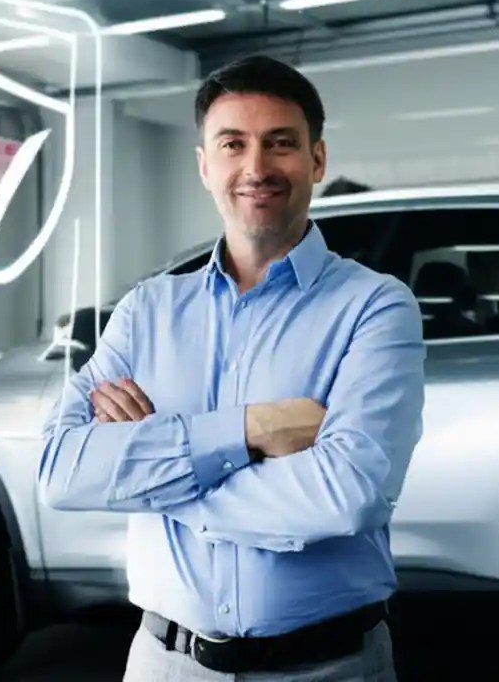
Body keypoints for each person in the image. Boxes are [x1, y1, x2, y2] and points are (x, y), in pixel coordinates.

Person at [36, 54, 425, 681]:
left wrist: (154, 478)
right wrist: (247, 431)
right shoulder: (146, 311)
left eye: (280, 144)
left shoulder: (375, 307)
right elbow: (59, 471)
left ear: (317, 160)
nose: (256, 167)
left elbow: (345, 494)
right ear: (204, 165)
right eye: (232, 144)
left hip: (327, 668)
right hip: (166, 665)